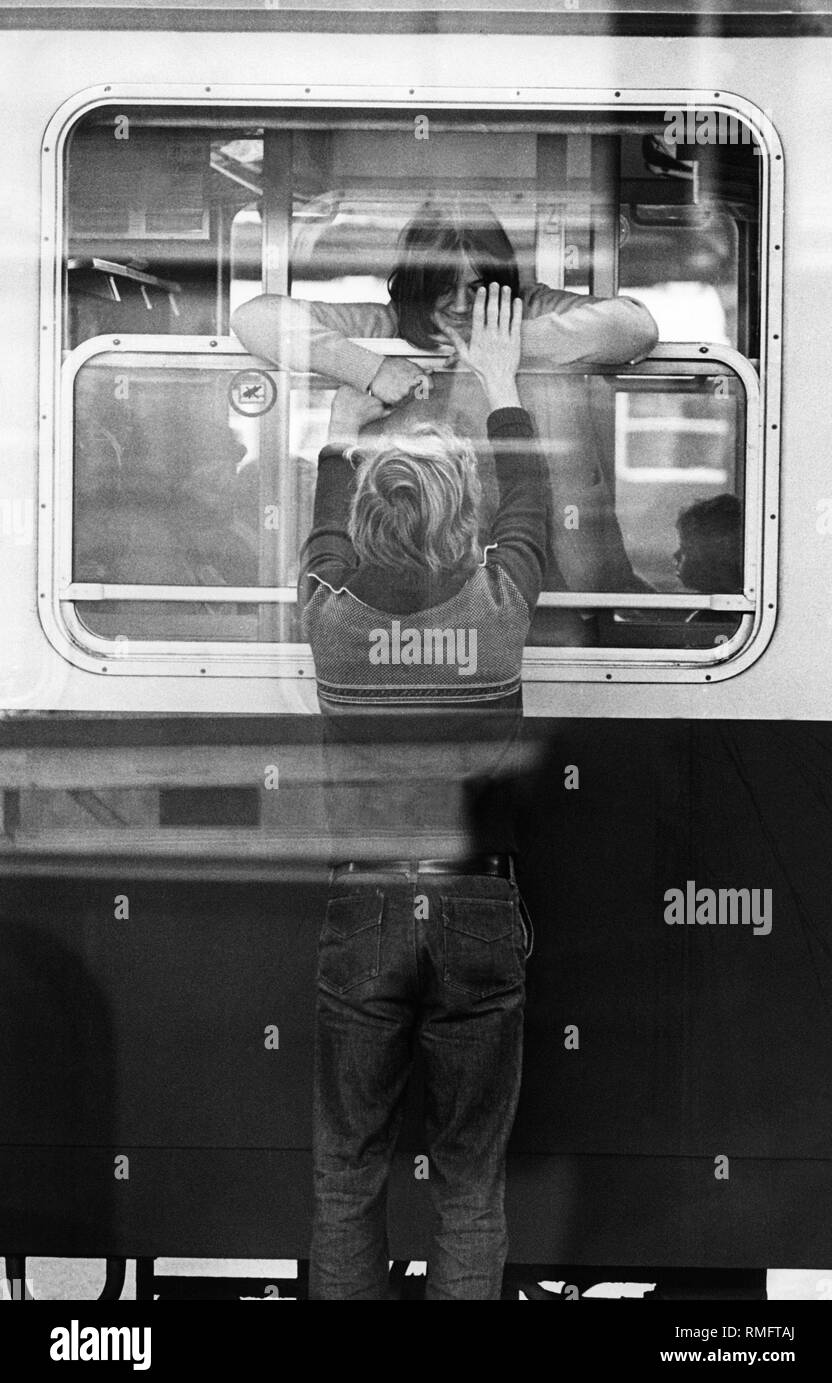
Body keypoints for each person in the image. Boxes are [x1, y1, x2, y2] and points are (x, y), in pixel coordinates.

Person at [301, 284, 546, 1300]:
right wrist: (499, 389)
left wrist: (339, 426)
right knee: (468, 1177)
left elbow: (322, 535)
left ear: (363, 524)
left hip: (362, 901)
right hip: (476, 903)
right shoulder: (495, 607)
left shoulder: (328, 615)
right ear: (464, 525)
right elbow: (527, 505)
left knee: (346, 1166)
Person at [232, 200, 658, 598]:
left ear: (501, 286)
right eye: (441, 287)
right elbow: (254, 319)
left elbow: (635, 327)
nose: (458, 305)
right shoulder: (387, 328)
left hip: (549, 585)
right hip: (414, 597)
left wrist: (506, 344)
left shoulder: (526, 309)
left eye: (476, 289)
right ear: (415, 287)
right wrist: (372, 370)